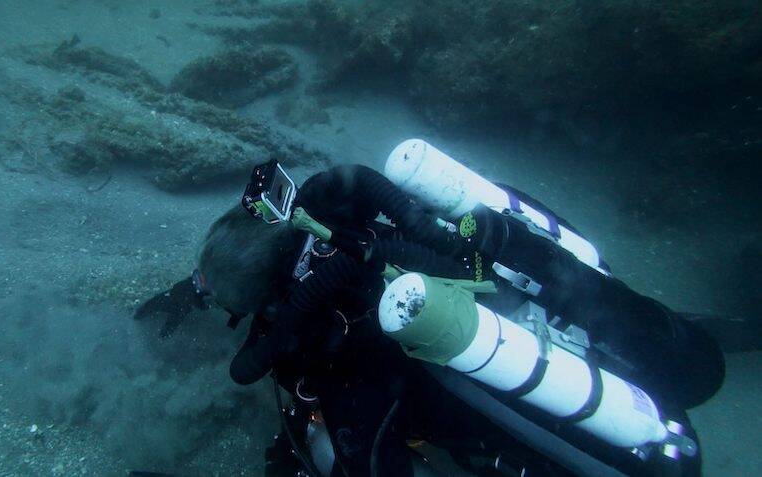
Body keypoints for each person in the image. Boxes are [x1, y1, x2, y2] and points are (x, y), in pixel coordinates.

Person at [138, 159, 730, 477]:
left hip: (527, 389)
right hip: (548, 300)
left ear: (262, 304)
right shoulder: (343, 211)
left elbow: (369, 460)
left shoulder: (332, 350)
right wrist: (191, 290)